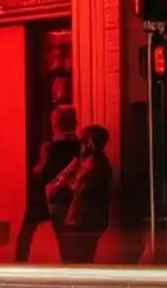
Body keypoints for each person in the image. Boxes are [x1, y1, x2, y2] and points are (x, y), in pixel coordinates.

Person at [15, 105, 80, 261]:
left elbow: (41, 174)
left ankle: (20, 263)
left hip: (47, 197)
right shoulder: (79, 146)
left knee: (26, 234)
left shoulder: (51, 148)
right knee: (65, 241)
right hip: (66, 198)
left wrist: (40, 161)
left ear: (56, 123)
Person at [47, 125, 111, 263]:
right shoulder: (93, 164)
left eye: (84, 141)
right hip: (85, 220)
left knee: (76, 259)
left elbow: (84, 192)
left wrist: (68, 182)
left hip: (81, 221)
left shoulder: (95, 167)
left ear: (89, 143)